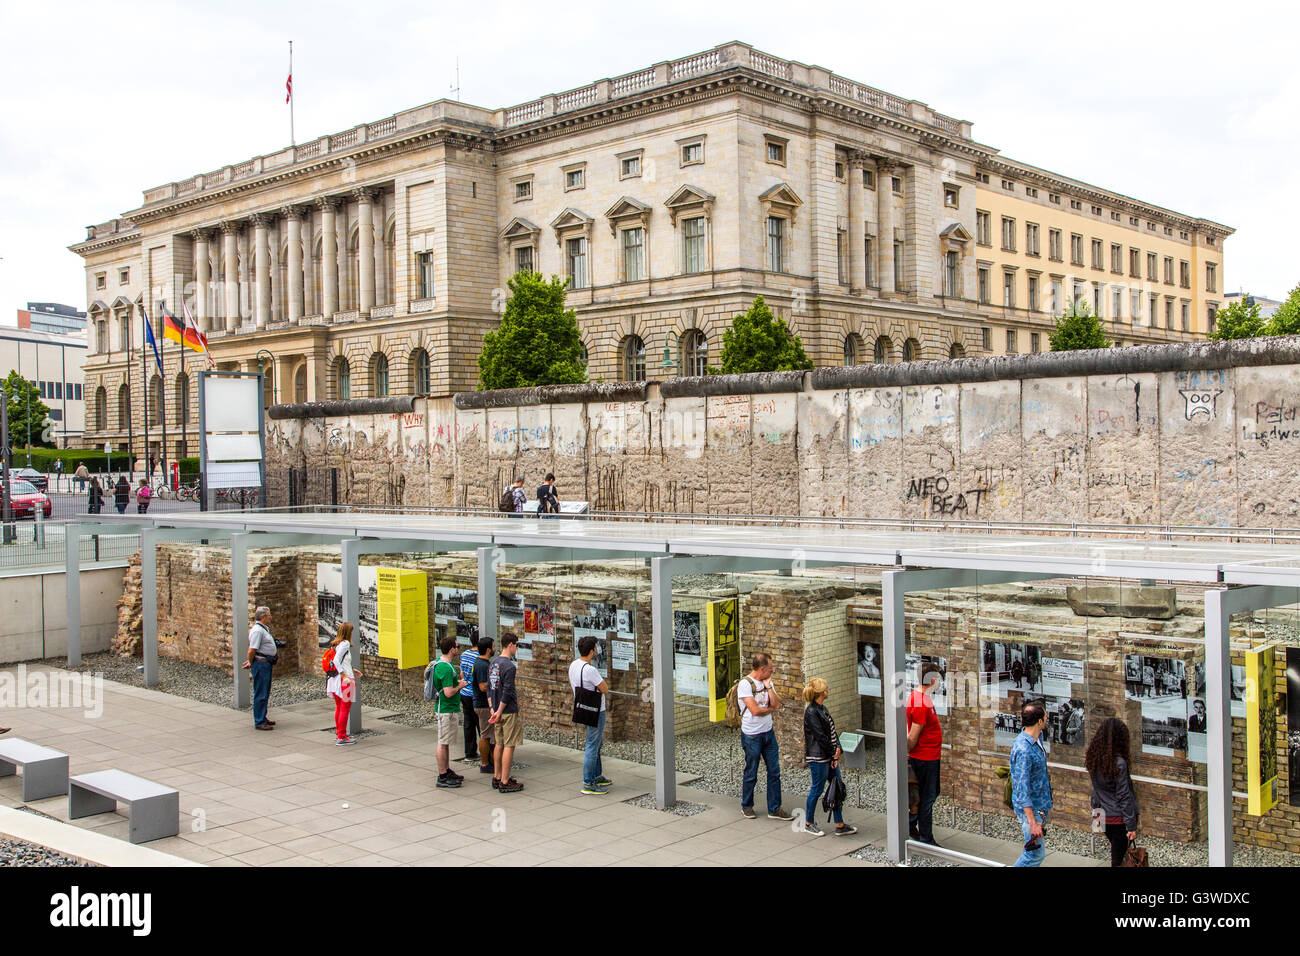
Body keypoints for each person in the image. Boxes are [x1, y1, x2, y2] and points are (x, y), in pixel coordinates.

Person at [737, 652, 791, 821]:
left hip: (768, 732)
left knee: (774, 771)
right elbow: (755, 710)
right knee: (751, 770)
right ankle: (747, 805)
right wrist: (769, 710)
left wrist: (768, 688)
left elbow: (777, 703)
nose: (772, 672)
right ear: (762, 669)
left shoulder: (768, 683)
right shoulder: (745, 685)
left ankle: (774, 808)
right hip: (752, 734)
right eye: (770, 669)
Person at [801, 677, 857, 836]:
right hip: (819, 757)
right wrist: (834, 751)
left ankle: (839, 823)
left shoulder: (822, 708)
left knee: (836, 787)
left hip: (829, 755)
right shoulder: (811, 712)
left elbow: (831, 732)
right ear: (821, 692)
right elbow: (820, 736)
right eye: (826, 688)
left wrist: (837, 748)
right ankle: (809, 822)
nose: (828, 690)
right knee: (817, 788)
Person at [1085, 717, 1139, 867]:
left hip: (1101, 815)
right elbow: (1123, 795)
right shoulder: (1119, 764)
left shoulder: (1093, 758)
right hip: (1118, 818)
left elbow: (1097, 790)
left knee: (1117, 855)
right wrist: (1131, 825)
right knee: (1117, 860)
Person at [1009, 700, 1053, 867]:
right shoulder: (1024, 749)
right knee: (1034, 856)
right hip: (1031, 811)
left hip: (1039, 807)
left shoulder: (1036, 738)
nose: (1047, 718)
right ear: (1040, 722)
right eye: (1045, 716)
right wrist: (1032, 821)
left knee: (1034, 854)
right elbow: (1021, 788)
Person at [570, 634, 612, 795]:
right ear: (592, 651)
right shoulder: (590, 670)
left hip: (583, 707)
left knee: (596, 742)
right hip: (596, 710)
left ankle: (597, 775)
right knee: (592, 745)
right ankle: (588, 782)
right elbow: (605, 688)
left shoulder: (574, 665)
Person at [906, 668, 943, 846]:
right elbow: (913, 735)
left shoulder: (920, 698)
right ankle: (926, 837)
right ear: (932, 680)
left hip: (928, 755)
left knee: (926, 794)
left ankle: (912, 826)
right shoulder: (921, 702)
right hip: (925, 758)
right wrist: (908, 753)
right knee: (927, 796)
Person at [429, 634, 468, 788]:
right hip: (446, 709)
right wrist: (460, 686)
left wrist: (457, 682)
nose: (458, 649)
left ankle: (446, 770)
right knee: (443, 741)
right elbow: (448, 692)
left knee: (445, 742)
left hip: (447, 708)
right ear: (452, 649)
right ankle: (442, 775)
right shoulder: (445, 668)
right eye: (457, 646)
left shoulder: (441, 663)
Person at [487, 632, 523, 792]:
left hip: (495, 709)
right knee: (509, 744)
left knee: (499, 743)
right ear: (510, 645)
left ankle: (497, 776)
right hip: (506, 711)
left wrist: (493, 709)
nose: (516, 648)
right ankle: (505, 780)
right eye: (516, 645)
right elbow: (507, 691)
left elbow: (489, 688)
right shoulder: (509, 666)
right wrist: (500, 711)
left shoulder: (493, 663)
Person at [240, 606, 279, 730]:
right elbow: (252, 650)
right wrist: (250, 662)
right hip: (261, 664)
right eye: (269, 615)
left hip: (265, 663)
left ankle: (263, 717)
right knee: (261, 692)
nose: (270, 617)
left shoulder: (262, 629)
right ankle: (260, 721)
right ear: (263, 617)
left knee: (264, 691)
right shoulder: (258, 631)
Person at [326, 622, 359, 745]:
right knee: (345, 709)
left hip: (335, 681)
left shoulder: (335, 644)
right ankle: (342, 737)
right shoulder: (345, 644)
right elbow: (336, 660)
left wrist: (352, 670)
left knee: (339, 708)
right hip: (346, 682)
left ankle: (339, 733)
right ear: (348, 632)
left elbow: (341, 661)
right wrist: (345, 675)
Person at [471, 636, 495, 776]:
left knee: (487, 734)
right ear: (488, 649)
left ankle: (488, 761)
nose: (494, 648)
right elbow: (482, 686)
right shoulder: (482, 665)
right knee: (485, 734)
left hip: (483, 704)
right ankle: (485, 763)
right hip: (483, 704)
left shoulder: (482, 663)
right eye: (493, 646)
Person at [457, 635, 480, 763]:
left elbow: (461, 673)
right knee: (481, 725)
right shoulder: (479, 657)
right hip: (475, 694)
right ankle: (487, 754)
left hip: (464, 693)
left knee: (468, 723)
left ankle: (470, 752)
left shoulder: (464, 654)